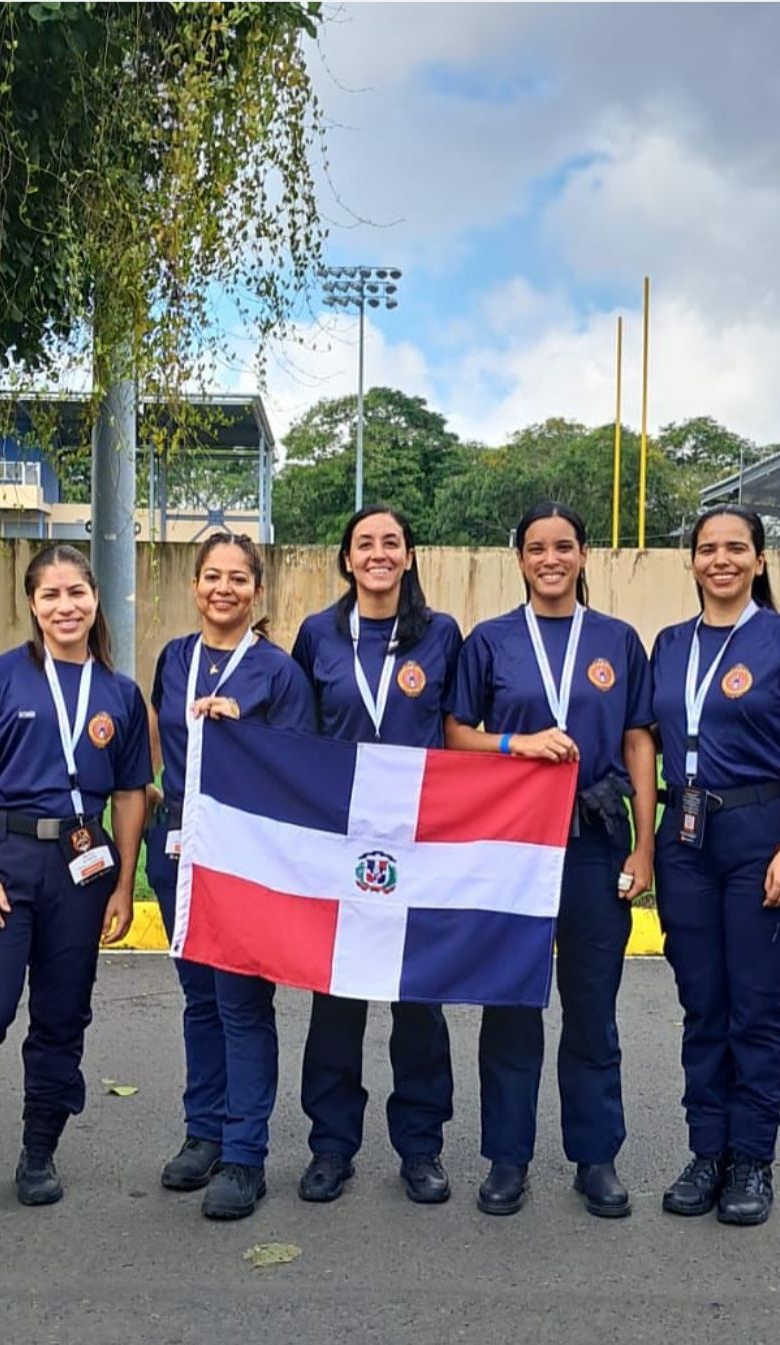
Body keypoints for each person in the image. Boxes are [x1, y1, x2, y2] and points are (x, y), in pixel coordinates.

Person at [0, 543, 150, 1211]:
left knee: (62, 1015)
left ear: (95, 598)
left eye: (77, 592)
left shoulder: (119, 694)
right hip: (4, 861)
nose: (65, 605)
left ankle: (39, 1148)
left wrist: (125, 884)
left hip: (81, 870)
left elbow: (132, 793)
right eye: (51, 595)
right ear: (32, 605)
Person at [445, 501, 656, 1218]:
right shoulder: (491, 641)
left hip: (596, 840)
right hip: (512, 846)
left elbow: (637, 744)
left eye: (563, 546)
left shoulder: (619, 640)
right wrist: (517, 745)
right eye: (536, 547)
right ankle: (508, 1157)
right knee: (510, 1005)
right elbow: (456, 732)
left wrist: (645, 842)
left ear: (584, 555)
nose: (550, 558)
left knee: (592, 1009)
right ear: (521, 558)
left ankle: (596, 1157)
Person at [651, 504, 780, 1226]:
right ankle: (707, 1152)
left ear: (760, 560)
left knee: (755, 1009)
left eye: (736, 547)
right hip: (686, 836)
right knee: (703, 1005)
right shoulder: (670, 644)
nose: (720, 559)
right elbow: (645, 739)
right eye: (707, 548)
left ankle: (752, 1159)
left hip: (764, 831)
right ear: (692, 561)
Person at [291, 505, 461, 1206]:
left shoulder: (442, 635)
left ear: (410, 555)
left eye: (391, 541)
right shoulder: (318, 635)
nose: (379, 553)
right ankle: (331, 1145)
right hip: (342, 841)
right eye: (365, 543)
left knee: (418, 1001)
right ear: (347, 559)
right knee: (336, 998)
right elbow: (295, 731)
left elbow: (460, 732)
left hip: (419, 841)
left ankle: (421, 1147)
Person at [146, 532, 315, 1221]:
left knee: (242, 1003)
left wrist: (245, 730)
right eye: (211, 576)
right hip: (180, 845)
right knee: (198, 999)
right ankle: (204, 1131)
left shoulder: (277, 671)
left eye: (238, 578)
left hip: (245, 851)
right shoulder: (175, 658)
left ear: (257, 591)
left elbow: (301, 766)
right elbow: (164, 734)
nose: (223, 588)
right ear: (195, 587)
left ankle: (246, 1154)